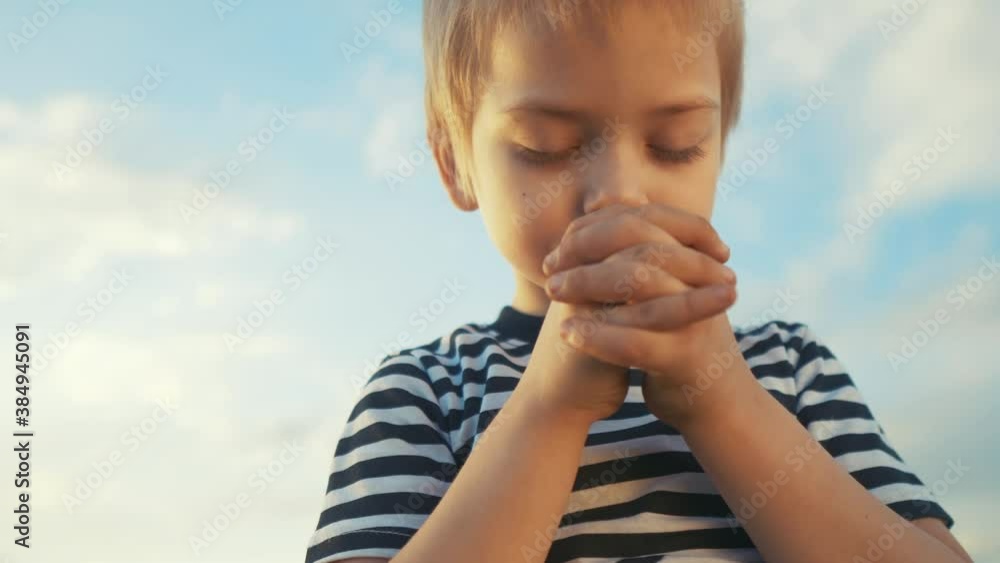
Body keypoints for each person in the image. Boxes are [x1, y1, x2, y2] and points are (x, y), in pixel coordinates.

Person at [305, 1, 973, 561]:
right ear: (455, 160)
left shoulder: (792, 370)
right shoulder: (424, 392)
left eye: (675, 143)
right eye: (546, 146)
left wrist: (724, 403)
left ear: (719, 145)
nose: (621, 195)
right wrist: (549, 411)